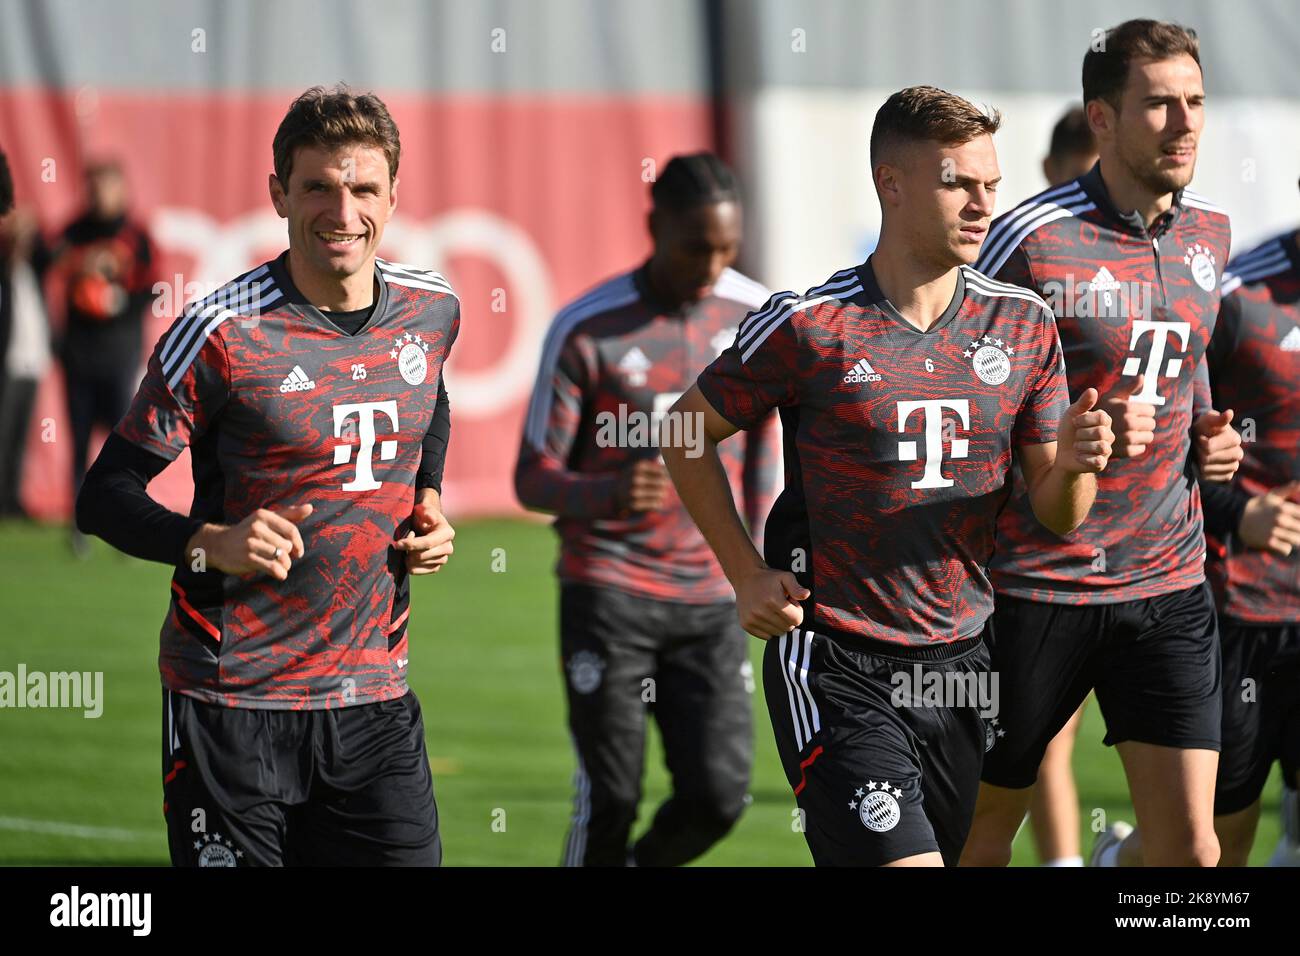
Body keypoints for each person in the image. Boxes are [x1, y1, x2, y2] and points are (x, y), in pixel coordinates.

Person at [663, 86, 1113, 867]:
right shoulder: (810, 324)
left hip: (966, 664)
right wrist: (746, 574)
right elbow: (681, 432)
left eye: (990, 185)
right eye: (957, 183)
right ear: (891, 184)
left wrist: (1074, 467)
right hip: (839, 661)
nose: (982, 205)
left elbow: (1060, 515)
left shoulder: (1025, 323)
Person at [76, 84, 458, 866]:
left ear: (394, 195)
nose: (341, 211)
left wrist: (430, 500)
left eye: (362, 188)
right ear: (278, 192)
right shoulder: (221, 333)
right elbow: (103, 496)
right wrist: (208, 542)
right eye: (317, 186)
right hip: (231, 706)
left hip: (374, 704)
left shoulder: (434, 310)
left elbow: (429, 402)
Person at [960, 19, 1242, 868]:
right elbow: (955, 400)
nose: (1184, 122)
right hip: (1035, 587)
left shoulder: (1210, 237)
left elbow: (1181, 363)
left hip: (1169, 580)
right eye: (1158, 104)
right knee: (981, 842)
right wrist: (1068, 441)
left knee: (1192, 856)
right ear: (1102, 120)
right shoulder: (1029, 241)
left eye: (1195, 101)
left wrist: (1205, 435)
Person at [516, 152, 779, 866]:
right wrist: (602, 493)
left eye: (727, 247)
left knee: (721, 796)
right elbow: (531, 477)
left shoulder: (755, 317)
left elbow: (763, 461)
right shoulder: (588, 328)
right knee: (611, 798)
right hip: (610, 594)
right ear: (653, 226)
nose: (714, 263)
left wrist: (751, 567)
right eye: (697, 246)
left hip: (710, 602)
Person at [1188, 210, 1300, 867]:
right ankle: (1117, 864)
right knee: (1212, 844)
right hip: (1241, 611)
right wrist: (1239, 512)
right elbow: (1171, 451)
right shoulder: (1235, 297)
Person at [1027, 104, 1099, 868]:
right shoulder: (1027, 250)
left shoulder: (1149, 250)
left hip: (1151, 541)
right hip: (1044, 538)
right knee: (1047, 732)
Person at [34, 159, 157, 554]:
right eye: (95, 186)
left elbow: (152, 288)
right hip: (79, 357)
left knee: (125, 446)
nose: (100, 194)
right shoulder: (75, 231)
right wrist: (77, 267)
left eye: (107, 185)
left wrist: (116, 300)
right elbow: (43, 260)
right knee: (80, 442)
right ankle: (79, 525)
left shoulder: (135, 235)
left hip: (119, 358)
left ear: (121, 189)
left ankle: (129, 523)